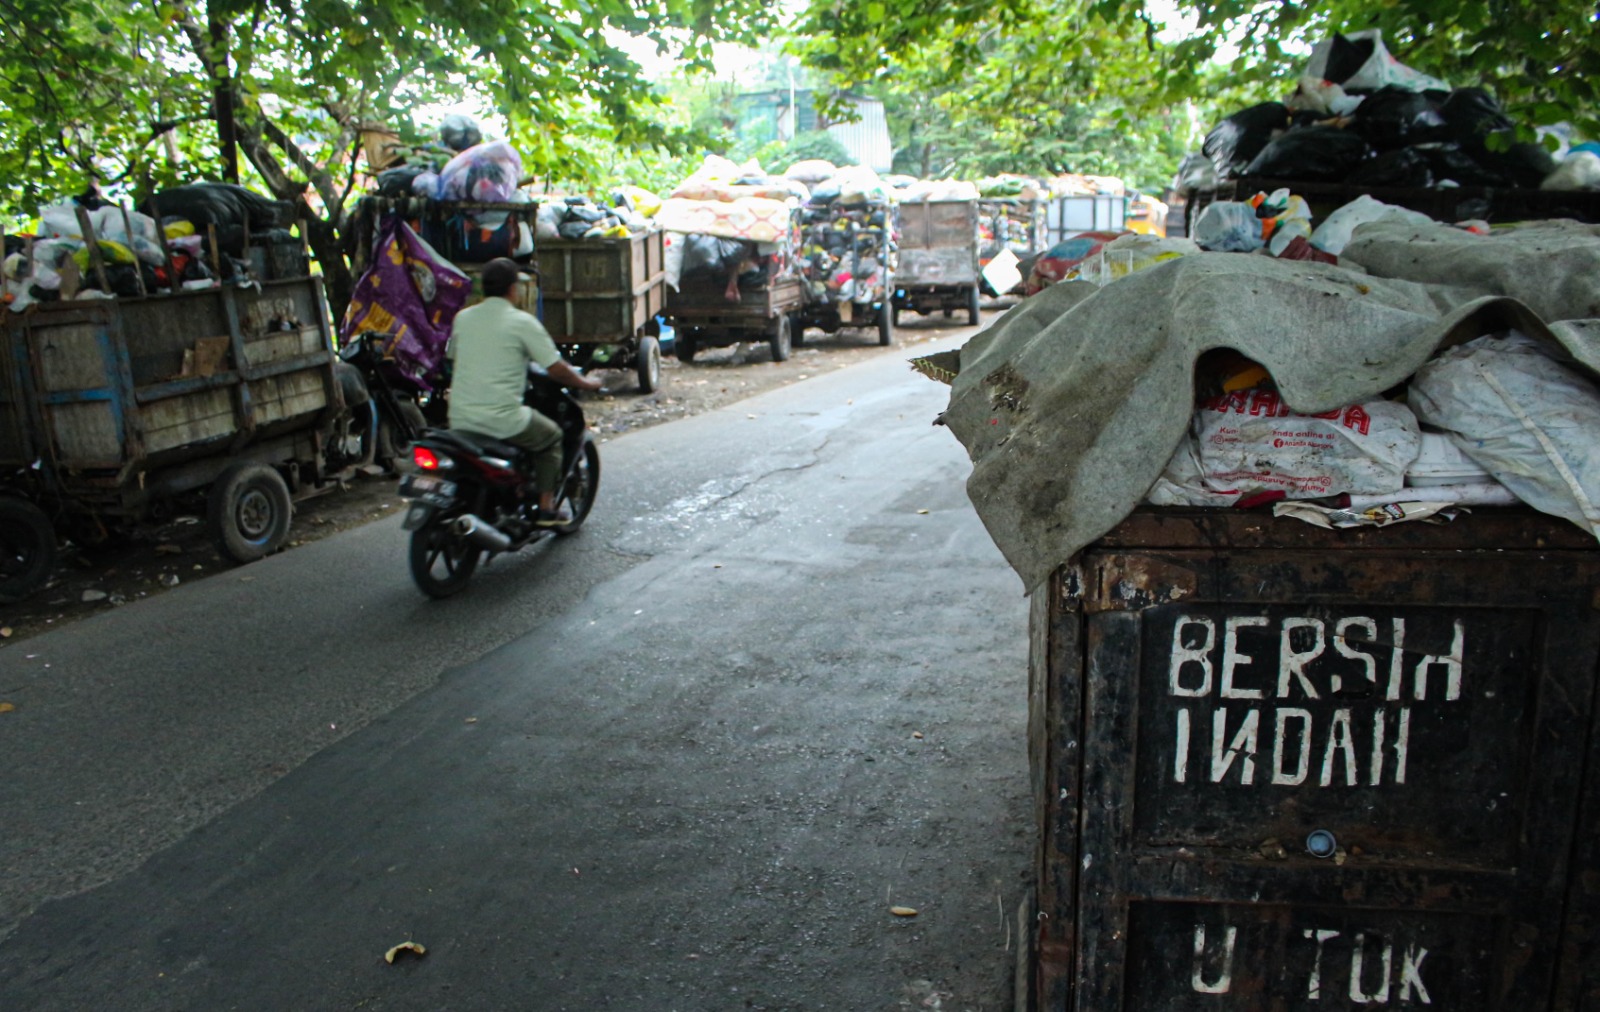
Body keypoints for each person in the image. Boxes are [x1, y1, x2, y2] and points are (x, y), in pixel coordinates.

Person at [446, 257, 602, 526]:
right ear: (513, 289)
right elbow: (555, 368)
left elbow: (452, 359)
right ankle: (546, 509)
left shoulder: (463, 318)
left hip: (459, 418)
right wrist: (587, 383)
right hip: (502, 420)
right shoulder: (522, 322)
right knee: (552, 437)